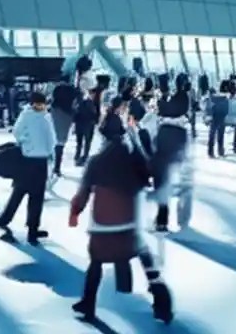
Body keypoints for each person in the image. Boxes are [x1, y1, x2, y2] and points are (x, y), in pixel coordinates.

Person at [69, 100, 173, 324]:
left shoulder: (96, 162)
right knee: (144, 256)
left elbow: (83, 193)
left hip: (102, 223)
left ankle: (88, 304)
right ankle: (161, 300)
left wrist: (75, 211)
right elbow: (148, 176)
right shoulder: (132, 157)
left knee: (96, 263)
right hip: (127, 223)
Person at [0, 92, 57, 245]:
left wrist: (48, 153)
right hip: (31, 159)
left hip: (37, 160)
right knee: (26, 194)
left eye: (43, 104)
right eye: (38, 104)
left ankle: (24, 225)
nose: (41, 106)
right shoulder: (28, 115)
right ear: (32, 103)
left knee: (26, 193)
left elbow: (50, 137)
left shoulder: (44, 116)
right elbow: (17, 132)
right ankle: (27, 228)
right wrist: (27, 143)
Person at [151, 75, 191, 231]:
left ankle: (162, 218)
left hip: (166, 139)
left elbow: (164, 109)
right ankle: (178, 218)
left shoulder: (174, 100)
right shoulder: (183, 99)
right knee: (174, 181)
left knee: (162, 180)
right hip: (178, 140)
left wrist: (162, 101)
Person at [73, 87, 100, 166]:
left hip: (81, 125)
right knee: (86, 142)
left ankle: (78, 157)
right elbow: (96, 116)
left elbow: (76, 114)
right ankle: (83, 158)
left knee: (80, 142)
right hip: (88, 125)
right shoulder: (93, 104)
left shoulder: (81, 102)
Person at [208, 81, 231, 158]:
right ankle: (220, 151)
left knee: (212, 136)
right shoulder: (225, 98)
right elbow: (227, 109)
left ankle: (210, 152)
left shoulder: (211, 99)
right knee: (221, 136)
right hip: (222, 118)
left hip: (214, 119)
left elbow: (209, 109)